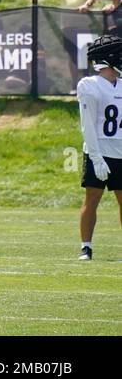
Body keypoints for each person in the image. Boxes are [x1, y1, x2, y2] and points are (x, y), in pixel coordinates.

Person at [73, 33, 122, 260]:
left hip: (121, 152)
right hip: (99, 151)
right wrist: (96, 157)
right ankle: (86, 247)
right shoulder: (89, 85)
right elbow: (88, 125)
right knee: (92, 199)